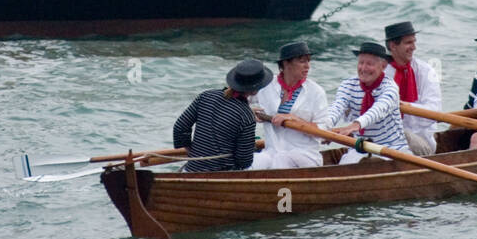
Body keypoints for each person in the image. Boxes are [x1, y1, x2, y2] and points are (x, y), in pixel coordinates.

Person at [173, 59, 273, 172]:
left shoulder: (206, 96)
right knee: (268, 159)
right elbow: (244, 161)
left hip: (192, 169)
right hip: (223, 173)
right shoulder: (246, 115)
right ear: (254, 91)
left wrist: (193, 153)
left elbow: (180, 128)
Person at [249, 41, 329, 169]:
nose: (307, 66)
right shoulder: (266, 85)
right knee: (251, 163)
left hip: (305, 155)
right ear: (286, 63)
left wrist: (294, 118)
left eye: (309, 61)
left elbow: (324, 129)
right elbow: (239, 98)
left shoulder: (316, 92)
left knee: (281, 161)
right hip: (272, 152)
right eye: (302, 61)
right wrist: (248, 112)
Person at [326, 41, 408, 164]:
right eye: (361, 63)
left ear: (384, 66)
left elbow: (378, 110)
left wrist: (356, 125)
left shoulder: (390, 88)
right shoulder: (348, 85)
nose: (363, 68)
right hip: (360, 147)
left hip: (392, 149)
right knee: (346, 165)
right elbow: (337, 107)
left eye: (369, 64)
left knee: (373, 164)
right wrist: (325, 127)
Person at [382, 20, 441, 156]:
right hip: (386, 141)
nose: (414, 47)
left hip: (421, 142)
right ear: (393, 46)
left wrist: (406, 106)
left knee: (402, 137)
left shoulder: (427, 71)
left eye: (414, 42)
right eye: (408, 43)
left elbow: (435, 111)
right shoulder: (381, 73)